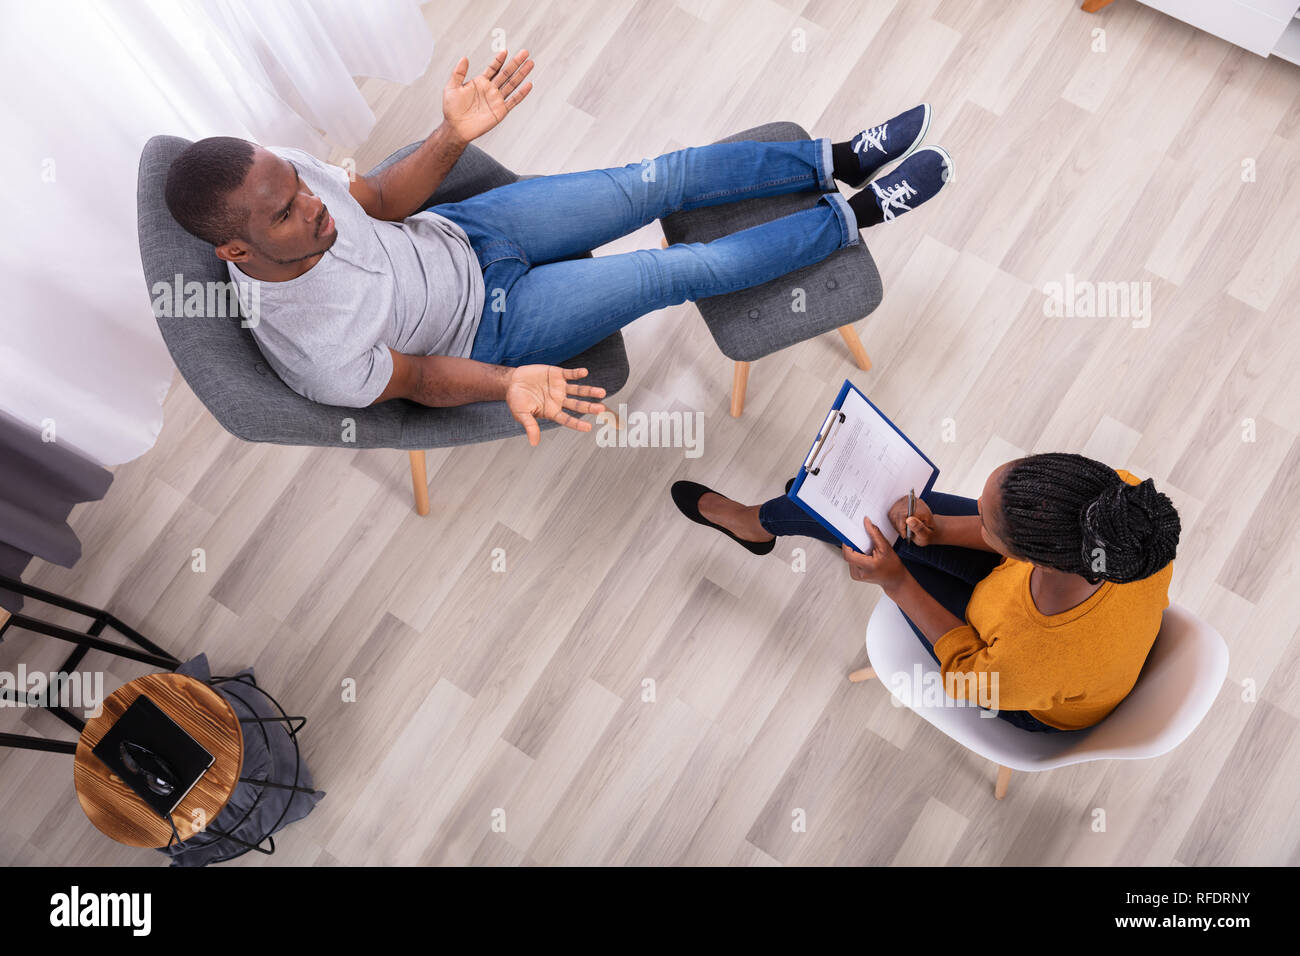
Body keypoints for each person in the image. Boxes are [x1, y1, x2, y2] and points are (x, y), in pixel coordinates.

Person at [163, 49, 952, 444]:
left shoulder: (286, 180)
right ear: (237, 252)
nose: (311, 207)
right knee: (680, 269)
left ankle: (836, 159)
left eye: (300, 189)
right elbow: (425, 378)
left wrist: (449, 137)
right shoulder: (315, 348)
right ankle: (857, 216)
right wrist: (506, 380)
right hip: (489, 329)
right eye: (285, 217)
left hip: (468, 232)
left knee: (658, 178)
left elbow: (370, 201)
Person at [671, 453, 1182, 732]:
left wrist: (896, 583)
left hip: (1022, 689)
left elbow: (965, 673)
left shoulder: (1033, 656)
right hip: (1027, 611)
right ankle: (800, 513)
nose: (975, 512)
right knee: (880, 504)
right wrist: (935, 530)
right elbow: (991, 537)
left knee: (860, 517)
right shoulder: (1122, 510)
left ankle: (760, 522)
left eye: (985, 519)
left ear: (1035, 556)